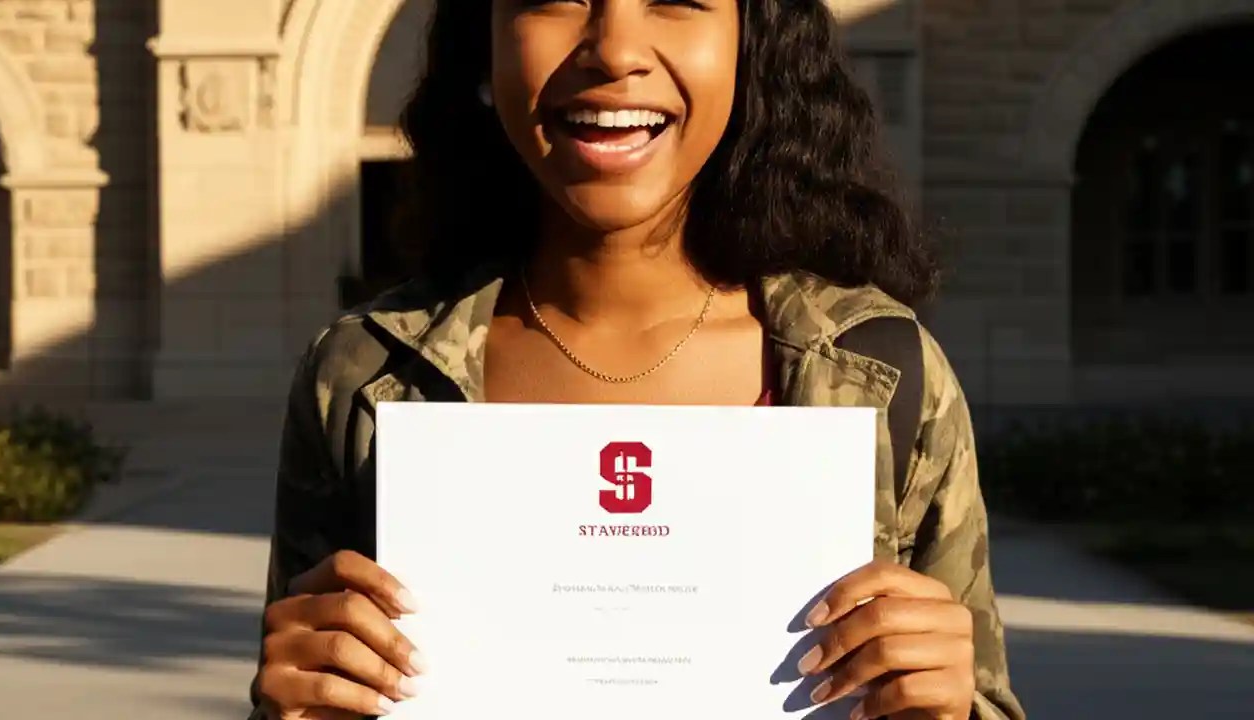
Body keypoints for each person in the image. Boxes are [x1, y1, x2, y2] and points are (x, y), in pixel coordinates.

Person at [249, 1, 1025, 719]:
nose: (614, 50)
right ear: (483, 41)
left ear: (751, 40)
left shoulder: (883, 375)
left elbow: (983, 699)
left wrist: (947, 709)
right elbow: (306, 688)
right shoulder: (363, 378)